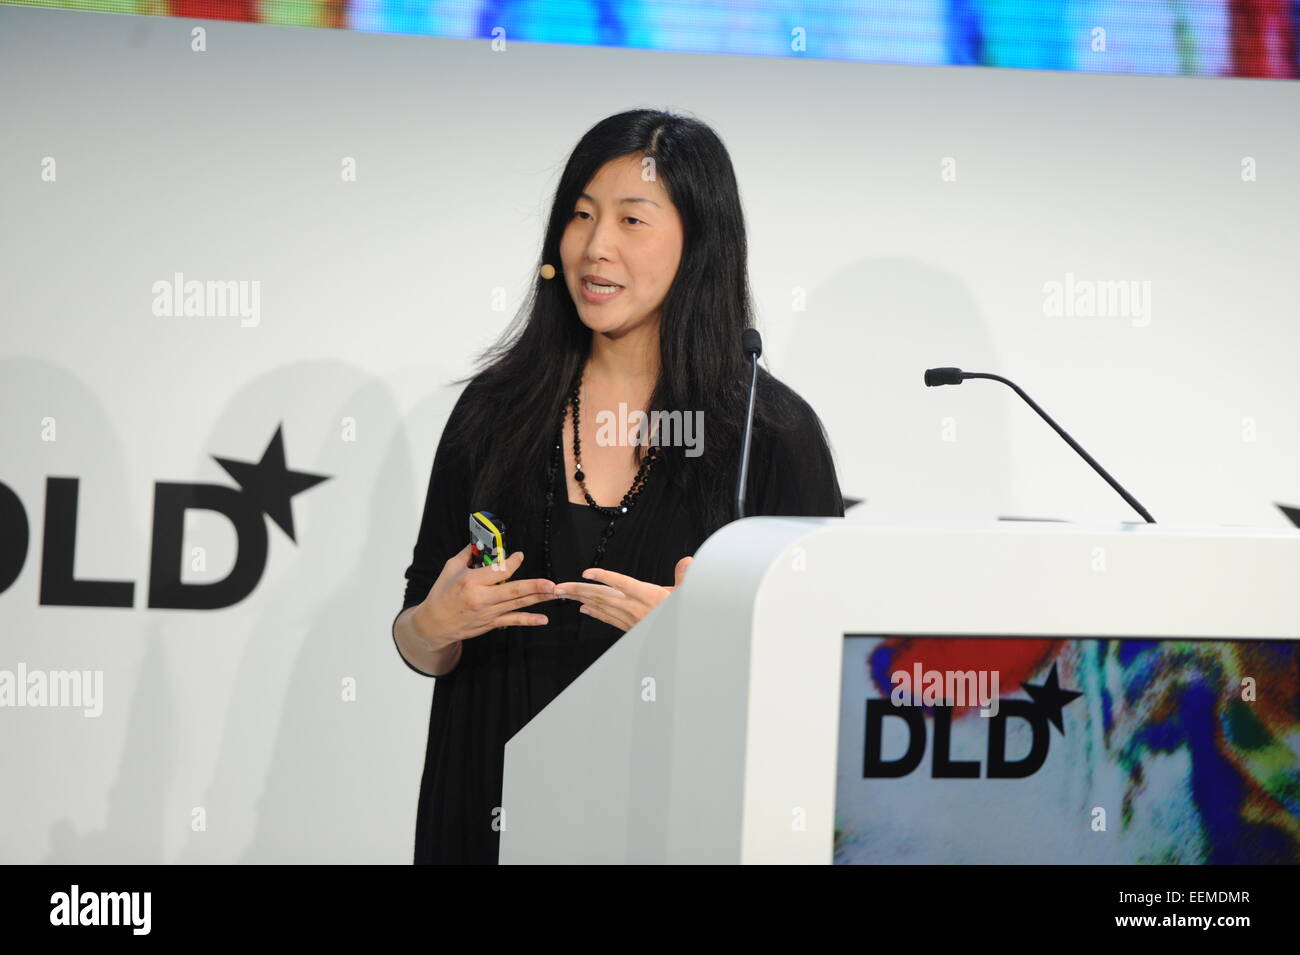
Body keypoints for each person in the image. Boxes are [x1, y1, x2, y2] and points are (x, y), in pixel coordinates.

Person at [391, 108, 844, 864]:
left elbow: (820, 680)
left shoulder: (771, 437)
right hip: (483, 816)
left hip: (672, 826)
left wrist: (708, 648)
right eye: (580, 215)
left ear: (700, 244)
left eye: (633, 219)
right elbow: (416, 634)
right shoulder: (494, 412)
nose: (596, 247)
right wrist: (437, 623)